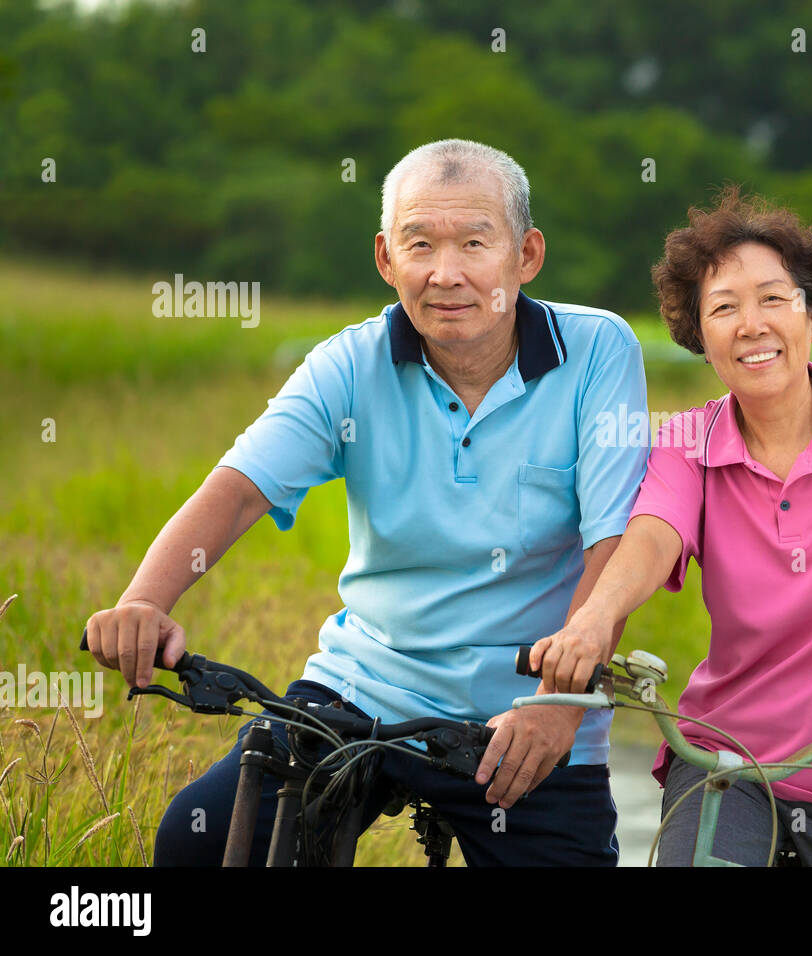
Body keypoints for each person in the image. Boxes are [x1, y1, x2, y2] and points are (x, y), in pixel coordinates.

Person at [84, 139, 649, 866]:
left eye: (475, 243)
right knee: (202, 837)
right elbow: (236, 491)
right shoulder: (347, 365)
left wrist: (558, 703)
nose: (446, 274)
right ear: (387, 260)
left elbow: (615, 543)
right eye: (420, 245)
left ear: (526, 255)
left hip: (532, 714)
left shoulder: (599, 350)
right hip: (364, 691)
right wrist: (143, 601)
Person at [531, 187, 812, 866]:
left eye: (774, 298)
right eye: (723, 308)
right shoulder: (687, 439)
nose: (751, 324)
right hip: (728, 763)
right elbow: (653, 535)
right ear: (700, 336)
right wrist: (592, 622)